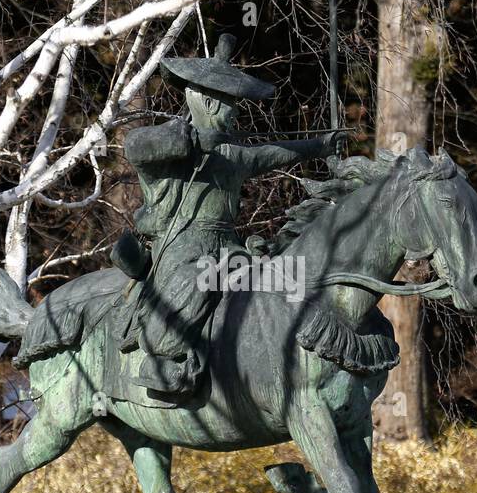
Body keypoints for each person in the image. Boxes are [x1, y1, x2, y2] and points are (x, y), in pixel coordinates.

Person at [115, 33, 345, 397]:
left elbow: (275, 152)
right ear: (206, 101)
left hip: (229, 251)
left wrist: (320, 145)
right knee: (197, 283)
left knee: (285, 277)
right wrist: (190, 141)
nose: (235, 113)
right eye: (229, 105)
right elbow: (135, 146)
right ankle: (164, 360)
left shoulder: (233, 156)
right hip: (180, 253)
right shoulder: (166, 148)